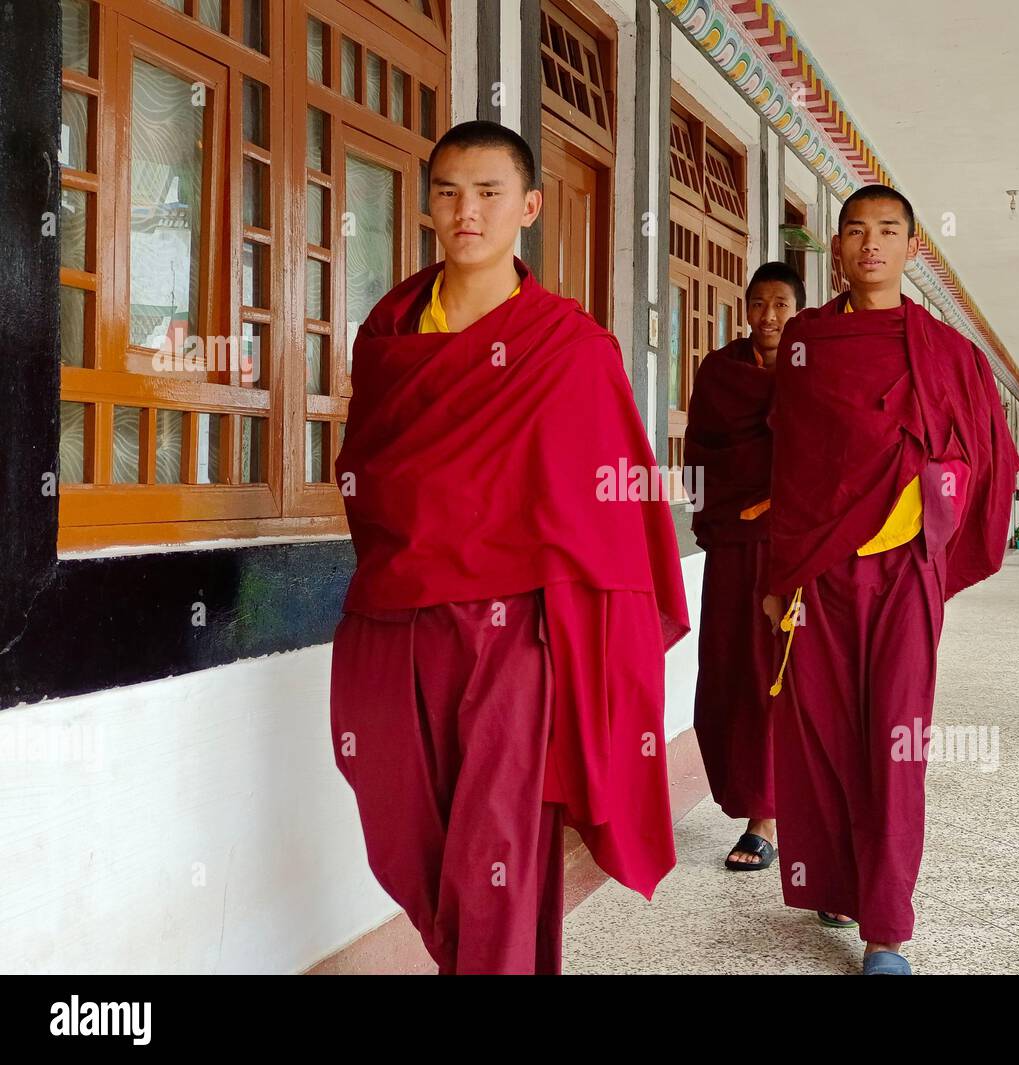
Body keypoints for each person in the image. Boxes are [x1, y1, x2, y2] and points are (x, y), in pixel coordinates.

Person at [329, 120, 689, 975]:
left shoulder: (571, 350)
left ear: (528, 205)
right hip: (396, 614)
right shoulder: (389, 338)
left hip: (517, 630)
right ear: (427, 205)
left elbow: (618, 504)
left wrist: (594, 634)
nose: (467, 210)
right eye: (449, 191)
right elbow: (368, 475)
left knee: (498, 838)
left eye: (489, 192)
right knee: (407, 823)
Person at [762, 184, 1019, 974]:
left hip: (904, 572)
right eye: (854, 231)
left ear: (914, 249)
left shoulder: (948, 352)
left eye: (888, 231)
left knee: (896, 742)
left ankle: (889, 931)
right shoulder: (805, 343)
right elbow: (792, 462)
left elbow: (991, 458)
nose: (870, 243)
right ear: (835, 250)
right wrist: (779, 571)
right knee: (823, 733)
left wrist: (933, 509)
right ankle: (840, 881)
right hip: (818, 575)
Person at [683, 262, 805, 872]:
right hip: (736, 547)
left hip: (796, 551)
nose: (768, 316)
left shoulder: (816, 370)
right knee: (733, 670)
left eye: (780, 304)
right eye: (758, 304)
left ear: (799, 311)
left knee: (786, 677)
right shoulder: (720, 372)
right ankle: (751, 797)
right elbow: (701, 455)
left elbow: (833, 450)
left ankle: (772, 816)